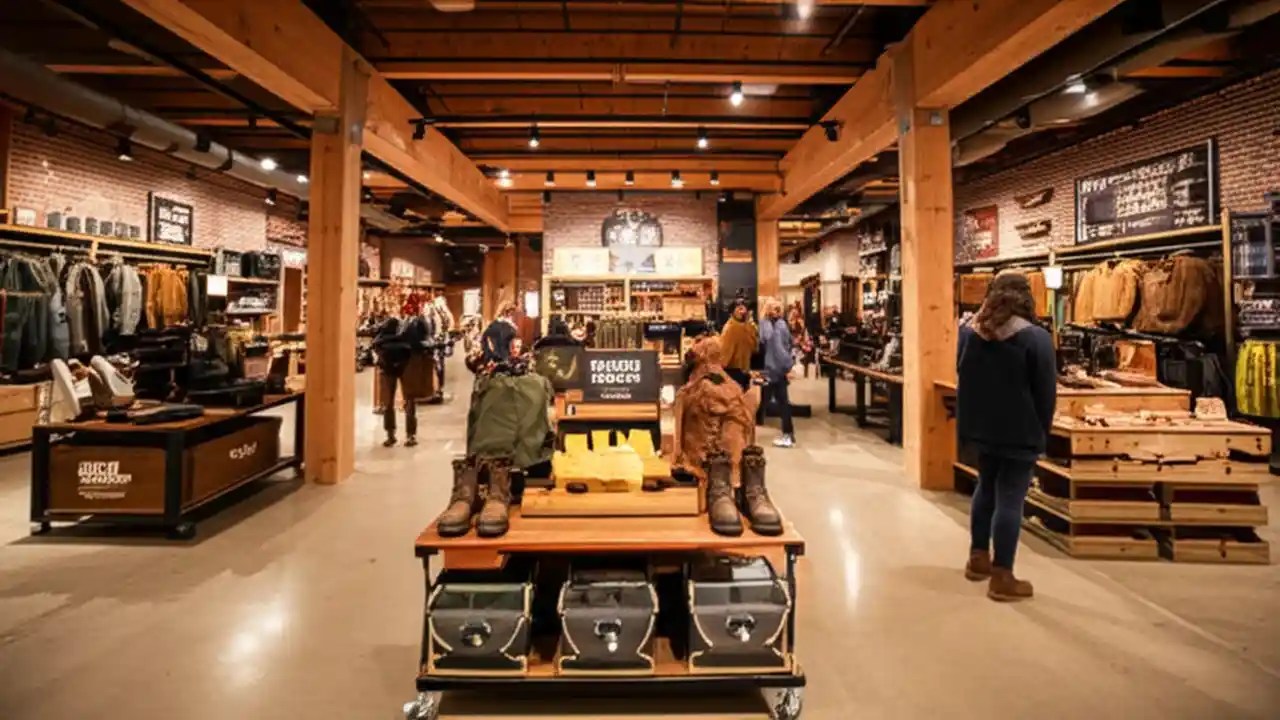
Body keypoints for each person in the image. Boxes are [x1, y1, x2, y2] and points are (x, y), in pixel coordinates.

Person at [956, 272, 1057, 602]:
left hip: (982, 429)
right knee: (1011, 499)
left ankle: (977, 557)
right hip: (1020, 430)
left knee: (985, 488)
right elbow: (1046, 392)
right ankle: (1003, 575)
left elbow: (963, 375)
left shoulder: (970, 333)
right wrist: (1042, 431)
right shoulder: (1036, 338)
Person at [373, 311, 428, 448]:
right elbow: (422, 345)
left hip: (387, 367)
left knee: (388, 402)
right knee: (409, 400)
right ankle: (411, 435)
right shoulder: (410, 329)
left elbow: (376, 345)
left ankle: (390, 435)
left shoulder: (384, 331)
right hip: (407, 365)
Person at [758, 299, 796, 448]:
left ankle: (788, 435)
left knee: (779, 403)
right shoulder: (780, 324)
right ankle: (788, 434)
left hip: (774, 370)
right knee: (777, 402)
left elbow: (778, 348)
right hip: (774, 369)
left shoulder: (771, 326)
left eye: (777, 308)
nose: (776, 310)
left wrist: (786, 366)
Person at [718, 300, 758, 391]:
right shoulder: (732, 327)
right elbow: (725, 352)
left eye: (743, 307)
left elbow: (754, 346)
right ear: (732, 311)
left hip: (740, 370)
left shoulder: (746, 326)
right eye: (738, 307)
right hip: (735, 370)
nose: (741, 310)